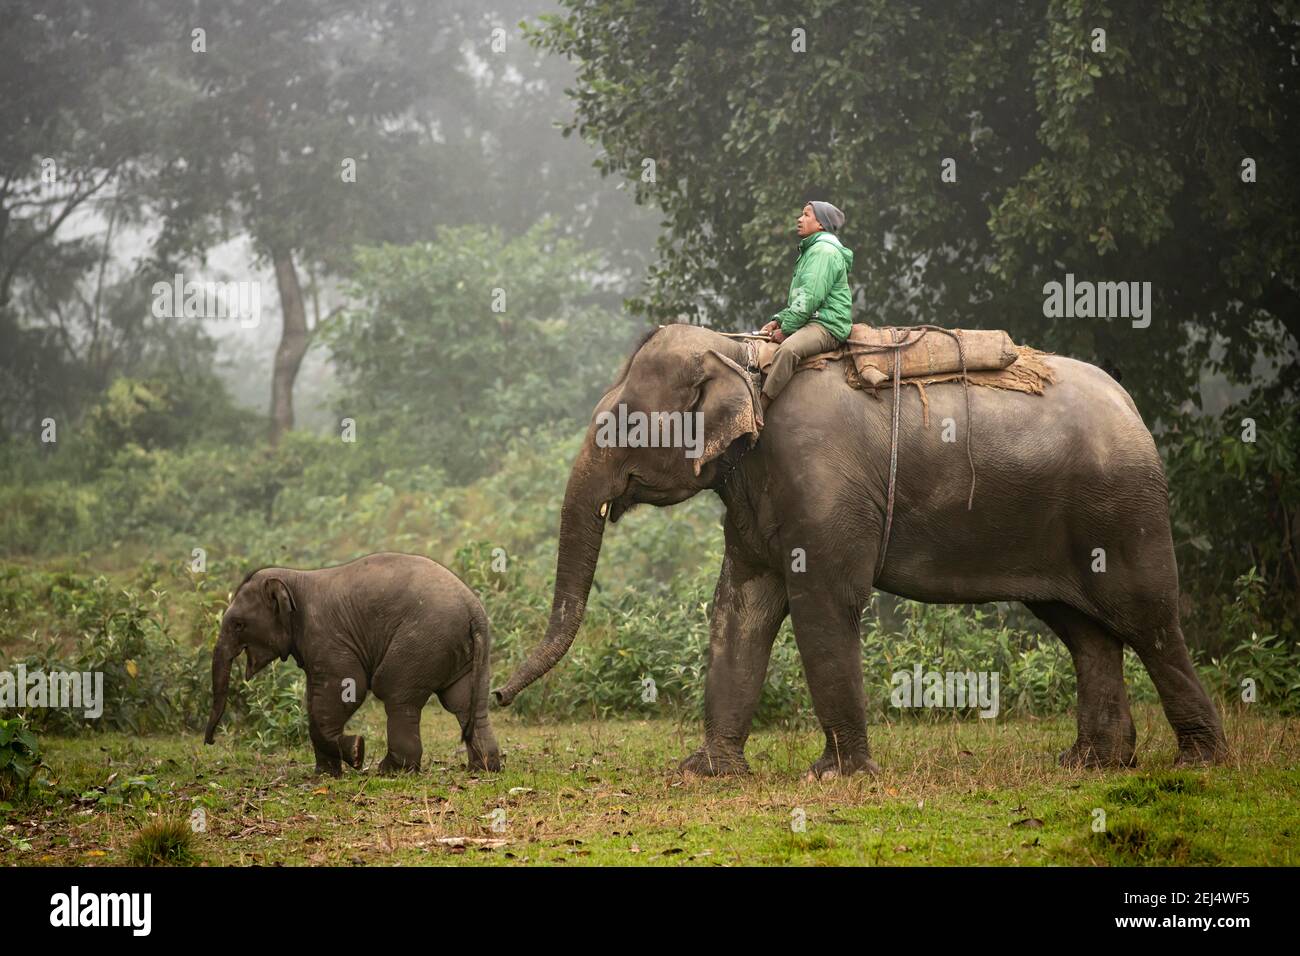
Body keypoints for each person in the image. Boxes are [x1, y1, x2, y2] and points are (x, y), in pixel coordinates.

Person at [760, 200, 854, 414]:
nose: (799, 219)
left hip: (826, 325)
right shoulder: (812, 251)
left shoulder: (823, 252)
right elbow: (800, 300)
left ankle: (761, 407)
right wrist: (778, 320)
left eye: (806, 215)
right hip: (812, 319)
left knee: (788, 349)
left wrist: (786, 331)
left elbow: (810, 298)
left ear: (821, 224)